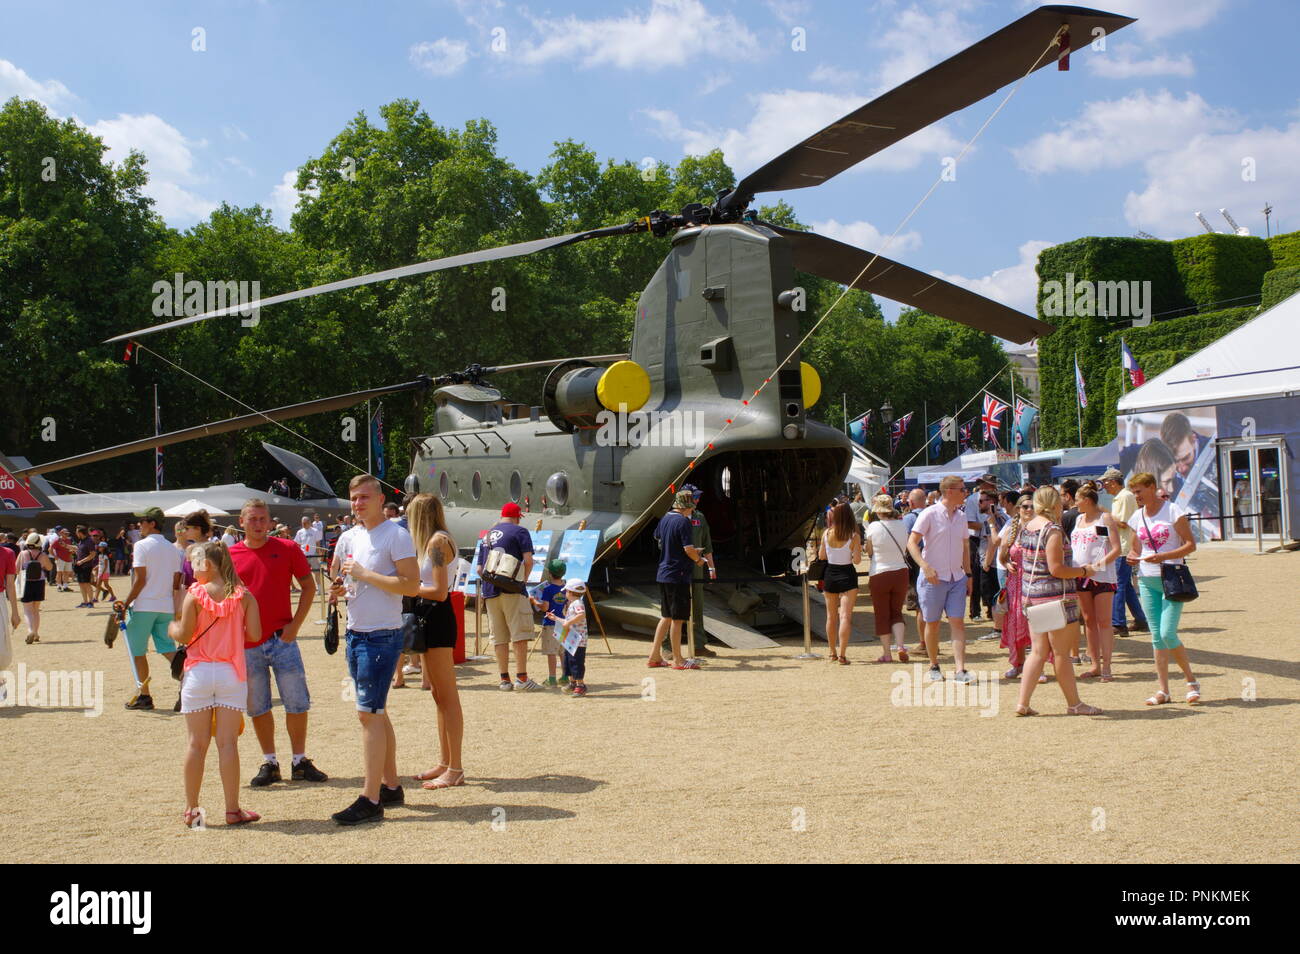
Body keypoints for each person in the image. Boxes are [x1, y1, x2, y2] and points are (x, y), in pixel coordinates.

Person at [329, 474, 420, 824]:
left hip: (382, 634)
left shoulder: (396, 535)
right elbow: (343, 578)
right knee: (375, 711)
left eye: (365, 497)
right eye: (354, 498)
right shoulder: (349, 537)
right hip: (356, 632)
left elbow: (411, 584)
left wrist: (365, 575)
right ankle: (391, 785)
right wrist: (340, 588)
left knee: (367, 714)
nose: (358, 504)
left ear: (381, 500)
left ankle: (371, 798)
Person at [229, 499, 327, 787]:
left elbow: (308, 586)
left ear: (270, 522)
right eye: (253, 519)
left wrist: (295, 626)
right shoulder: (230, 554)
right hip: (248, 644)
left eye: (263, 519)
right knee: (258, 705)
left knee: (297, 701)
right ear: (242, 522)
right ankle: (269, 761)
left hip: (282, 638)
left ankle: (299, 760)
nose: (259, 524)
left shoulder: (287, 549)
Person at [171, 542, 262, 827]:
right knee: (227, 744)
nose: (193, 569)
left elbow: (185, 635)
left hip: (198, 672)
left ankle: (192, 810)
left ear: (207, 564)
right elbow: (255, 634)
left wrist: (172, 628)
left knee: (196, 744)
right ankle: (232, 809)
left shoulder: (194, 595)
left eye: (195, 564)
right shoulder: (244, 595)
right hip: (230, 672)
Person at [1013, 486, 1102, 717]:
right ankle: (1074, 704)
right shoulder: (1052, 530)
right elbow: (1057, 569)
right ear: (1054, 503)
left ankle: (1023, 703)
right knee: (1061, 653)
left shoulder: (1028, 527)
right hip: (1054, 599)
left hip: (1032, 596)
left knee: (1038, 651)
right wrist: (1084, 571)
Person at [405, 493, 465, 791]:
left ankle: (455, 767)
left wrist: (408, 587)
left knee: (447, 695)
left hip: (437, 617)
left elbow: (440, 591)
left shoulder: (438, 543)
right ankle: (445, 761)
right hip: (428, 617)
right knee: (438, 695)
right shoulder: (433, 541)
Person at [1128, 471, 1201, 706]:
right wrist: (1132, 557)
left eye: (1139, 491)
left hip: (1171, 578)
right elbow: (1135, 549)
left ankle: (1191, 680)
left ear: (1151, 487)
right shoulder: (1137, 516)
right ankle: (1163, 690)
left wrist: (1165, 556)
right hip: (1147, 580)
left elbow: (1191, 545)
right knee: (1156, 638)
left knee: (1167, 633)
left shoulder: (1172, 511)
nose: (1136, 496)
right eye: (1134, 492)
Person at [907, 476, 973, 683]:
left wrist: (968, 574)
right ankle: (933, 665)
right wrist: (925, 566)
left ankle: (960, 669)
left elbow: (965, 546)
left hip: (956, 577)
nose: (966, 492)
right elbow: (911, 542)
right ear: (949, 491)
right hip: (933, 578)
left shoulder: (961, 516)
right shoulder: (929, 513)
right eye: (963, 489)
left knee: (957, 622)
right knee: (932, 623)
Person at [120, 508, 183, 711]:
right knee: (169, 650)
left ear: (152, 523)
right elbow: (176, 582)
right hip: (165, 607)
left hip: (144, 606)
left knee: (137, 652)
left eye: (142, 522)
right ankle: (188, 687)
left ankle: (144, 696)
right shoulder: (173, 549)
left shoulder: (141, 546)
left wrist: (125, 603)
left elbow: (140, 581)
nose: (139, 525)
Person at [477, 502, 537, 690]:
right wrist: (523, 581)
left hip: (490, 591)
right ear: (517, 516)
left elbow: (480, 569)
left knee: (499, 636)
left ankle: (504, 679)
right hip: (512, 590)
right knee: (519, 633)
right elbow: (528, 561)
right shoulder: (520, 532)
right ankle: (522, 678)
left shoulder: (487, 535)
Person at [647, 490, 705, 670]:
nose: (691, 512)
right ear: (687, 507)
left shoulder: (665, 519)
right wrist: (698, 559)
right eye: (691, 509)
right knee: (678, 619)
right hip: (678, 574)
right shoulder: (683, 522)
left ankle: (654, 656)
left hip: (664, 572)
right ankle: (679, 660)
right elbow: (688, 549)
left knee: (666, 616)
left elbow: (658, 537)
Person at [1071, 486, 1121, 680]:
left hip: (1102, 576)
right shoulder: (1078, 519)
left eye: (1077, 499)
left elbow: (1116, 548)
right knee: (1088, 621)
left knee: (1103, 621)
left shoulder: (1104, 518)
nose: (1075, 503)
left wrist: (1098, 565)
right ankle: (1094, 664)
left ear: (1087, 500)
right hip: (1081, 574)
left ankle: (1107, 665)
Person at [1101, 468, 1148, 637]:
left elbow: (1122, 523)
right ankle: (1140, 619)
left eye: (1105, 482)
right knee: (1125, 585)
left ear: (1113, 482)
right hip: (1122, 546)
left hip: (1123, 547)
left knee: (1119, 585)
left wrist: (1104, 513)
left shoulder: (1125, 497)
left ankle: (1119, 622)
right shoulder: (1121, 497)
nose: (1104, 486)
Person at [864, 494, 909, 663]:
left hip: (880, 572)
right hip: (900, 571)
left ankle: (886, 653)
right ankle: (900, 645)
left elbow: (869, 551)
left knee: (882, 614)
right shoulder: (902, 525)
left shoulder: (874, 526)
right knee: (896, 612)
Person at [819, 501, 861, 665]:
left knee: (831, 616)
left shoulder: (826, 533)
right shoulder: (853, 535)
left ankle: (832, 652)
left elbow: (822, 555)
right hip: (847, 574)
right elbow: (857, 561)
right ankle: (843, 654)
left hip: (830, 573)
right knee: (845, 616)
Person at [997, 496, 1034, 679]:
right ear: (1018, 509)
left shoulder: (1041, 528)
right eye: (1025, 506)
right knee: (1016, 623)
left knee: (1034, 625)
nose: (1029, 509)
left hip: (1035, 583)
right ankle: (1018, 663)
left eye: (1032, 506)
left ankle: (1036, 667)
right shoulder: (1013, 529)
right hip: (1015, 583)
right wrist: (1006, 563)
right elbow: (1002, 554)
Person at [684, 482, 718, 658]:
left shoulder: (700, 517)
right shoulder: (672, 518)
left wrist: (711, 567)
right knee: (675, 609)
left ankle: (698, 644)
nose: (697, 500)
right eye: (694, 497)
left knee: (698, 607)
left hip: (697, 570)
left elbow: (707, 545)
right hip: (679, 569)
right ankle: (668, 646)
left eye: (698, 497)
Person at [528, 559, 569, 686]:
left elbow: (545, 607)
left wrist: (534, 601)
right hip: (564, 622)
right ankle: (565, 676)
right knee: (562, 651)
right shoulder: (566, 588)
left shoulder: (548, 589)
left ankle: (551, 678)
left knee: (551, 652)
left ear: (550, 574)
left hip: (550, 624)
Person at [549, 578, 589, 696]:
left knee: (576, 662)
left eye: (566, 591)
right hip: (570, 640)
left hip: (578, 641)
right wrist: (556, 618)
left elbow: (581, 615)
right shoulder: (573, 604)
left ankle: (580, 685)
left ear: (570, 592)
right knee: (568, 661)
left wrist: (569, 623)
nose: (565, 593)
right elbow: (567, 621)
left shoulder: (577, 603)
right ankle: (572, 683)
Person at [965, 474, 996, 621]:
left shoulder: (997, 498)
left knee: (991, 575)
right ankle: (975, 611)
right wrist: (989, 528)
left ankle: (991, 610)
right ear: (983, 485)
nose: (992, 487)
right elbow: (969, 522)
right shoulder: (972, 500)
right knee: (976, 576)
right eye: (989, 484)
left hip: (991, 540)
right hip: (976, 539)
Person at [16, 534, 53, 644]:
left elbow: (16, 568)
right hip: (39, 582)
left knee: (27, 610)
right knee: (36, 610)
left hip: (26, 583)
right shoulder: (43, 555)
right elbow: (50, 567)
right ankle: (36, 633)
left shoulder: (23, 553)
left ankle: (30, 630)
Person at [901, 487, 926, 611]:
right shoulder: (932, 514)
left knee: (913, 580)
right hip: (930, 553)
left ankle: (914, 603)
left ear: (911, 502)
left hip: (914, 554)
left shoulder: (909, 518)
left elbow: (905, 538)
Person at [73, 525, 97, 607]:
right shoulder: (81, 541)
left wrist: (82, 561)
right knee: (81, 584)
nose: (76, 534)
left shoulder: (89, 541)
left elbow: (93, 554)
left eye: (76, 532)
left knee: (87, 584)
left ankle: (90, 602)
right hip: (80, 566)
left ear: (80, 533)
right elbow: (77, 549)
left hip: (86, 566)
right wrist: (65, 546)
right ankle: (85, 602)